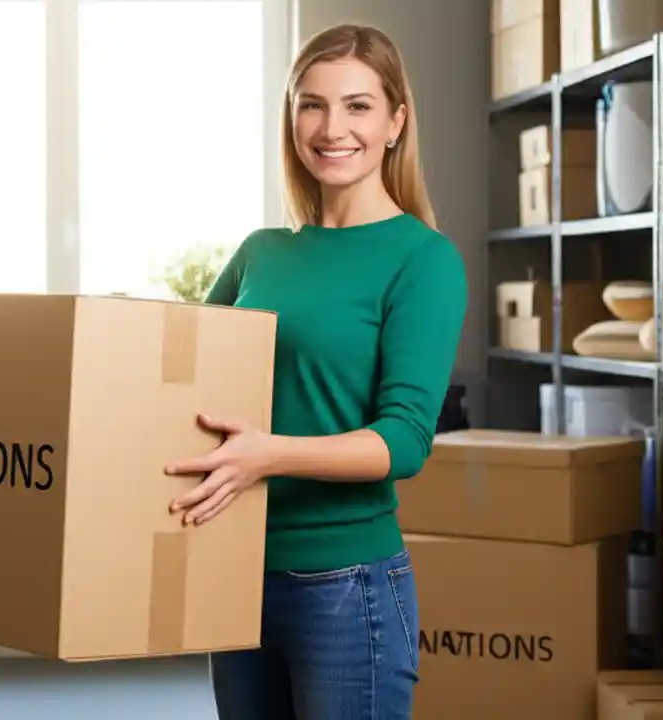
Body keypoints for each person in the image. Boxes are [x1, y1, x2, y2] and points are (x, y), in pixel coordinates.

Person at [164, 23, 468, 720]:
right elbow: (184, 380)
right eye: (312, 104)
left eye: (358, 106)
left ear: (396, 121)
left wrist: (267, 457)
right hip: (239, 569)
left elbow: (404, 441)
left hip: (346, 582)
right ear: (291, 116)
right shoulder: (261, 252)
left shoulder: (421, 259)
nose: (333, 127)